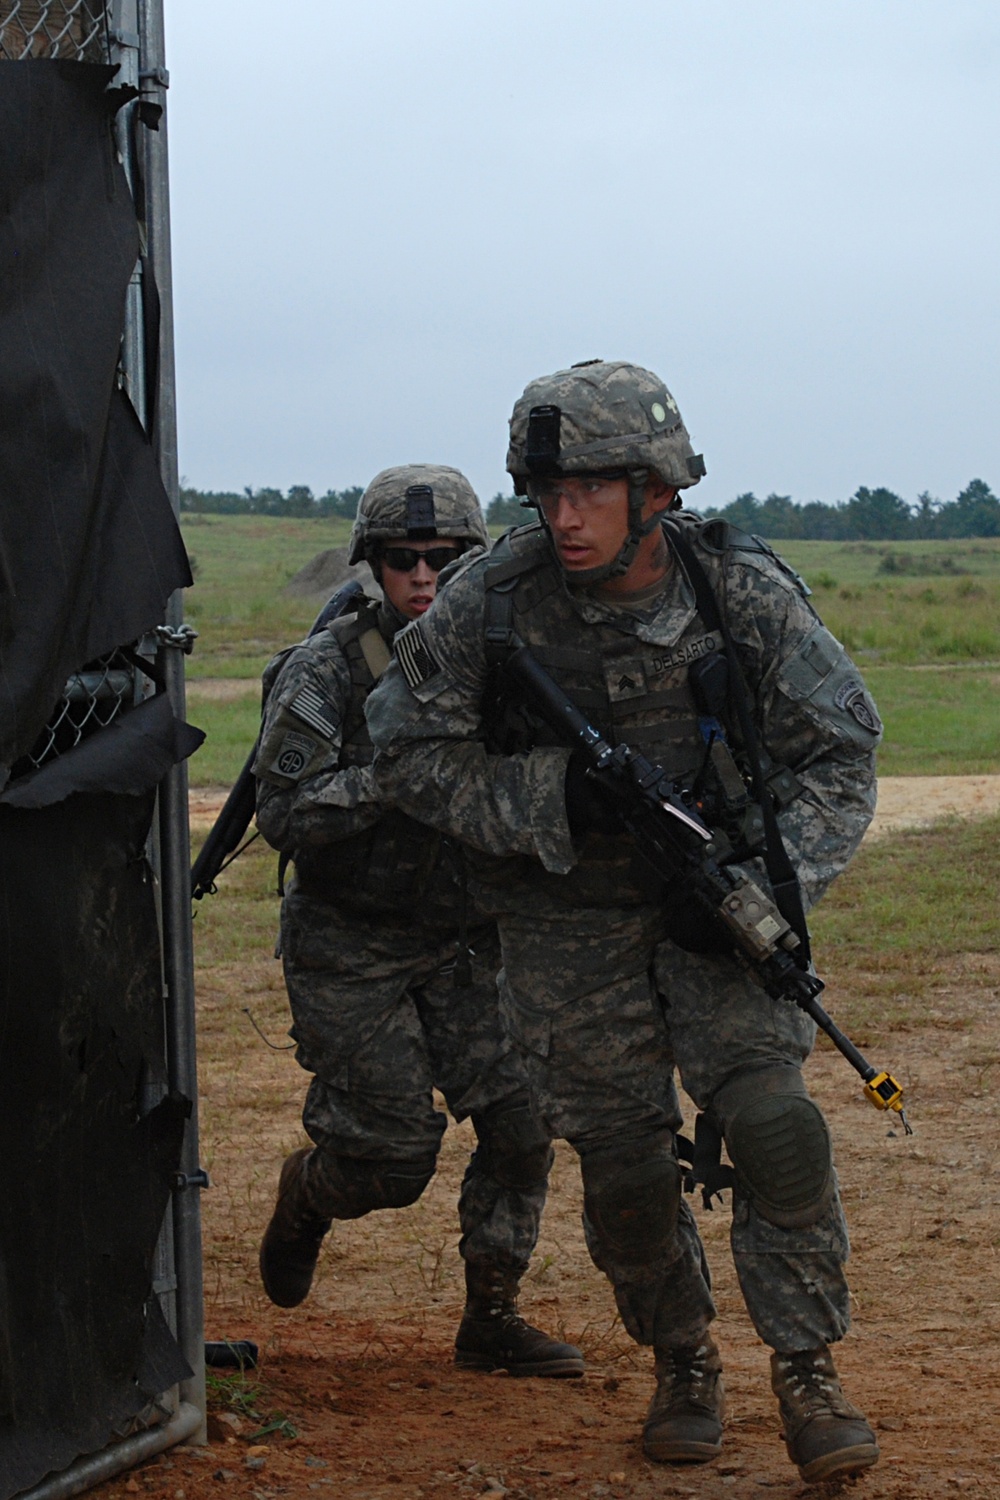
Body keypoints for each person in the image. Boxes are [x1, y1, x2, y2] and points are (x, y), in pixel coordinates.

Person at [366, 364, 884, 1483]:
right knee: (625, 1171)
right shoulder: (492, 601)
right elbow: (406, 754)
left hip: (720, 911)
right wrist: (551, 796)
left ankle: (808, 1371)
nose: (563, 517)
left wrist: (763, 886)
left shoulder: (732, 589)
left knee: (776, 1127)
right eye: (546, 492)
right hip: (564, 924)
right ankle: (681, 1358)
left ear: (654, 487)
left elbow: (838, 753)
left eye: (591, 490)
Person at [253, 464, 583, 1379]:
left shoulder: (507, 667)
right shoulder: (329, 671)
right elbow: (285, 812)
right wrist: (392, 778)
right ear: (373, 565)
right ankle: (309, 1195)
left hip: (469, 939)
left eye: (446, 558)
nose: (425, 576)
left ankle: (492, 1318)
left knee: (523, 1121)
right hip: (350, 940)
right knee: (393, 1160)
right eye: (404, 558)